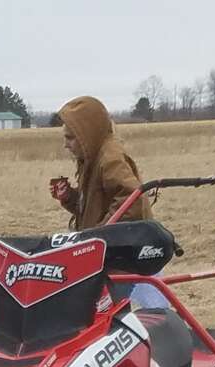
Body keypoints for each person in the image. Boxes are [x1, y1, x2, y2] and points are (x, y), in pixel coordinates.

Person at [50, 96, 165, 309]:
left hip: (125, 258)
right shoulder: (93, 158)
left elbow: (132, 198)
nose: (65, 144)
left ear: (86, 135)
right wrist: (70, 198)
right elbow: (94, 207)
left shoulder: (110, 158)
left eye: (70, 137)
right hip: (115, 253)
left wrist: (100, 235)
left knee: (115, 315)